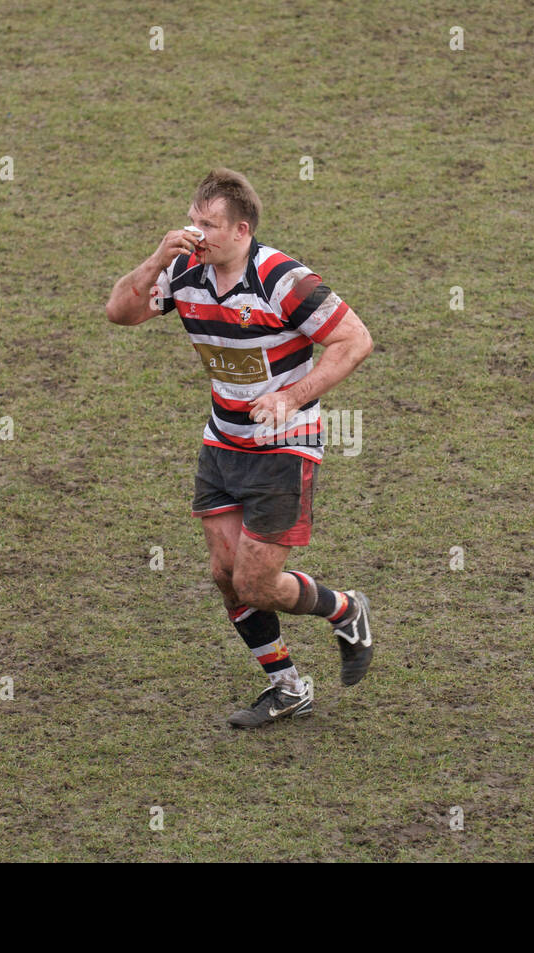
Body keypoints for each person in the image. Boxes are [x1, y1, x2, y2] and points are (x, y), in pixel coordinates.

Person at [105, 168, 375, 728]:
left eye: (208, 226)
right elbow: (120, 312)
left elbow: (355, 339)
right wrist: (157, 259)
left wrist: (291, 397)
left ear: (241, 230)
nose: (195, 234)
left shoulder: (281, 279)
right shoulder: (184, 270)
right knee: (226, 574)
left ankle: (346, 609)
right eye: (192, 221)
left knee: (256, 582)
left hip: (284, 447)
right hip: (223, 441)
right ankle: (287, 687)